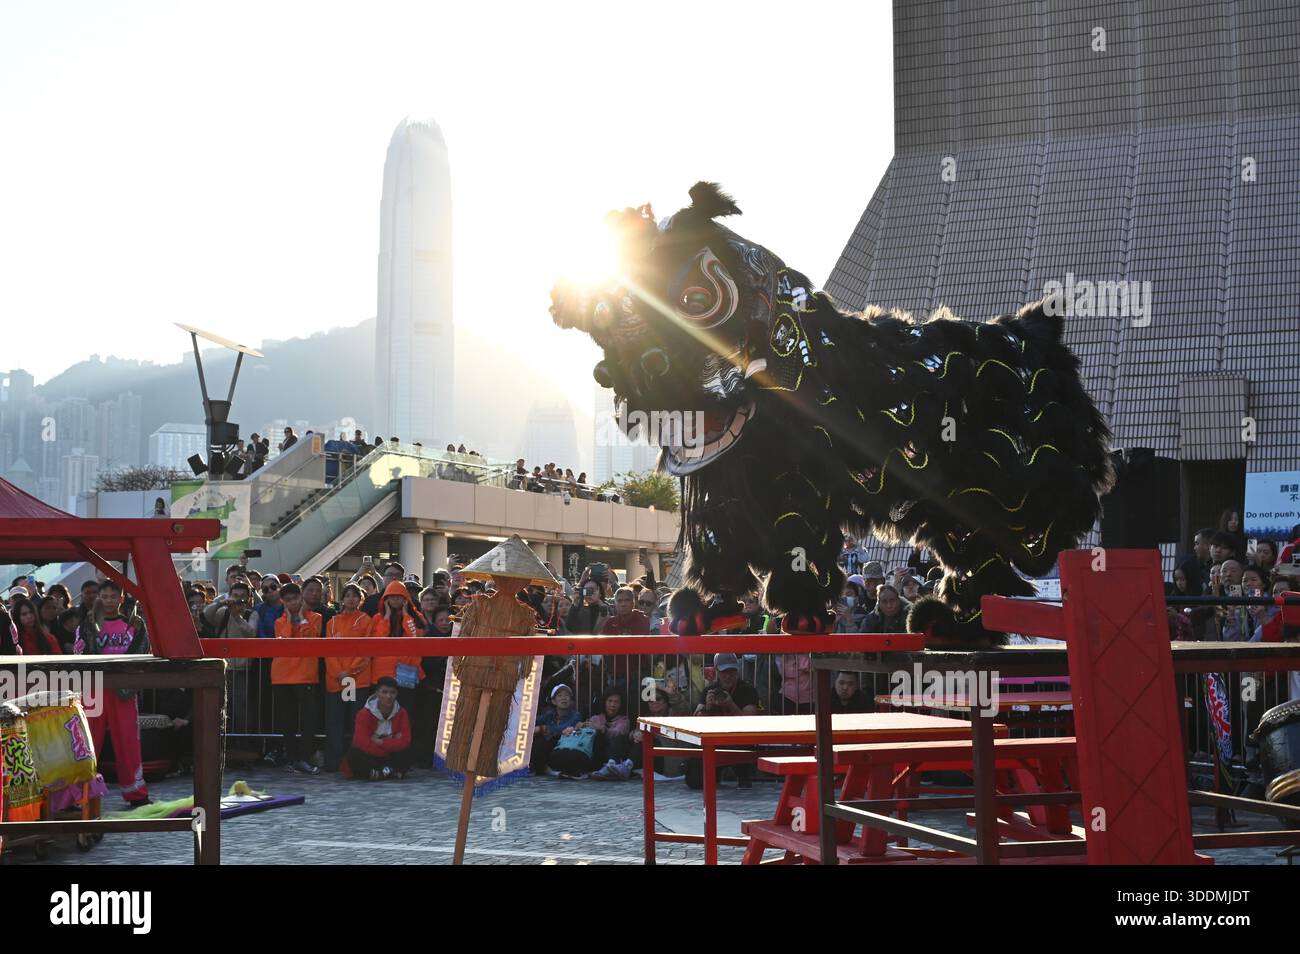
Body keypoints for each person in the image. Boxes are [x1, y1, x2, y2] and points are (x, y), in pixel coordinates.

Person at [73, 579, 151, 806]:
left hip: (124, 692)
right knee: (88, 742)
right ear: (99, 598)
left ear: (121, 599)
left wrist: (140, 628)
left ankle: (136, 792)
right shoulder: (87, 625)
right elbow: (79, 656)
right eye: (104, 596)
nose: (108, 601)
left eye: (113, 596)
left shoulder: (133, 625)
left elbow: (144, 652)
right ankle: (80, 794)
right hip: (94, 690)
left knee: (128, 740)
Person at [687, 653, 760, 789]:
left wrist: (731, 705)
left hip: (738, 740)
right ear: (716, 671)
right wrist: (707, 708)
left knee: (743, 759)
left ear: (737, 670)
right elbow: (695, 723)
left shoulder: (747, 690)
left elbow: (751, 723)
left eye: (732, 671)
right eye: (724, 672)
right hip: (714, 742)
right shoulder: (709, 691)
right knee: (694, 781)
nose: (728, 676)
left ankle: (743, 774)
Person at [272, 582, 322, 774]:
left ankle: (304, 758)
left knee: (309, 720)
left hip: (306, 675)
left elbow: (311, 638)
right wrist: (291, 618)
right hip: (282, 676)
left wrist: (300, 617)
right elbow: (285, 640)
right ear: (283, 602)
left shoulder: (316, 617)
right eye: (288, 600)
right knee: (287, 721)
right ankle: (292, 758)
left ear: (302, 599)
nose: (293, 602)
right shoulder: (279, 622)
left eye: (295, 598)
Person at [324, 583, 373, 772]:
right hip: (336, 680)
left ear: (361, 599)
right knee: (335, 722)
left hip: (357, 680)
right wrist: (339, 673)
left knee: (356, 722)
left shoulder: (366, 620)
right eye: (347, 595)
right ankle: (334, 762)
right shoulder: (332, 622)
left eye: (355, 595)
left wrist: (350, 672)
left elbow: (366, 650)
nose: (351, 599)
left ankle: (355, 762)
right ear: (342, 599)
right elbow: (328, 652)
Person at [342, 678, 413, 780]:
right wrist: (392, 740)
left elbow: (405, 740)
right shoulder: (364, 714)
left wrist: (380, 742)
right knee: (354, 754)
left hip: (388, 753)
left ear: (397, 694)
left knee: (409, 749)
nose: (388, 696)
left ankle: (379, 773)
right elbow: (362, 742)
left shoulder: (402, 713)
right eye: (384, 692)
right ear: (377, 694)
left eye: (392, 692)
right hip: (372, 755)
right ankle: (389, 771)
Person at [530, 684, 584, 776]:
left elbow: (562, 728)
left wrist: (541, 728)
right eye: (560, 696)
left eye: (567, 696)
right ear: (554, 701)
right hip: (548, 745)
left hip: (565, 746)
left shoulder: (576, 715)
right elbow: (534, 721)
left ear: (571, 700)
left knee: (544, 740)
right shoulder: (550, 714)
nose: (564, 698)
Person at [587, 687, 636, 780]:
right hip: (598, 754)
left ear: (621, 704)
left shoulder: (624, 720)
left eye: (616, 702)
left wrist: (602, 729)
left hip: (616, 754)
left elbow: (618, 733)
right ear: (604, 702)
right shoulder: (595, 718)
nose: (612, 705)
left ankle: (611, 765)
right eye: (610, 701)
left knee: (617, 738)